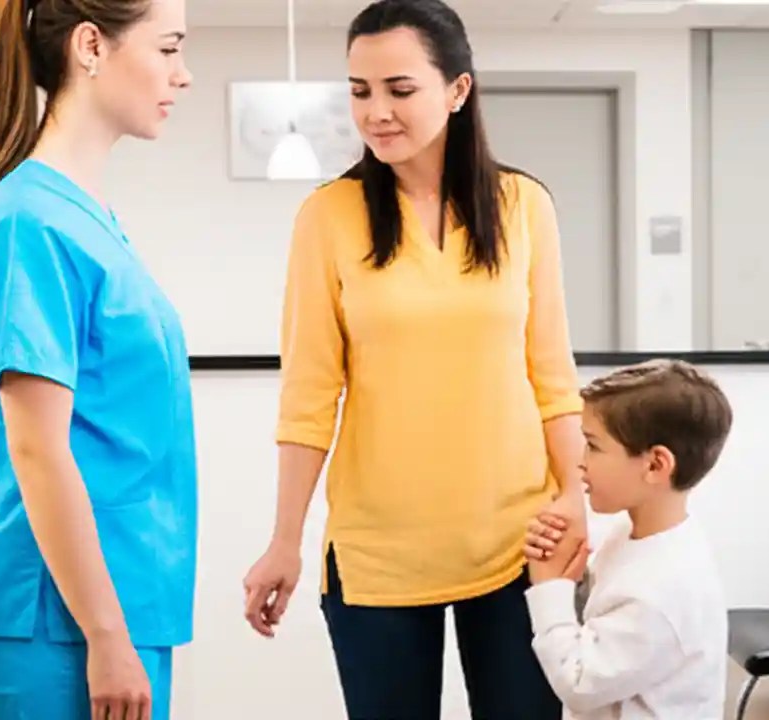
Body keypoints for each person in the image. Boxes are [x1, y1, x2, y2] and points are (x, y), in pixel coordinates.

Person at [240, 0, 587, 716]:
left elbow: (552, 378)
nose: (376, 112)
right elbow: (309, 397)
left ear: (458, 90)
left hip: (518, 541)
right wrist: (284, 541)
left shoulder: (523, 206)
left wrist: (575, 497)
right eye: (360, 91)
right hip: (378, 553)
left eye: (400, 89)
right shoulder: (327, 217)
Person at [0, 1, 194, 718]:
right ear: (90, 45)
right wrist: (105, 634)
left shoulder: (81, 215)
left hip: (119, 594)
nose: (182, 74)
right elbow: (37, 448)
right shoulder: (28, 221)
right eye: (168, 48)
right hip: (64, 619)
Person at [524, 359, 734, 720]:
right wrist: (569, 576)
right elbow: (606, 620)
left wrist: (548, 587)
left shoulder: (663, 587)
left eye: (593, 446)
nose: (580, 462)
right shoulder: (637, 536)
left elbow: (580, 682)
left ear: (655, 465)